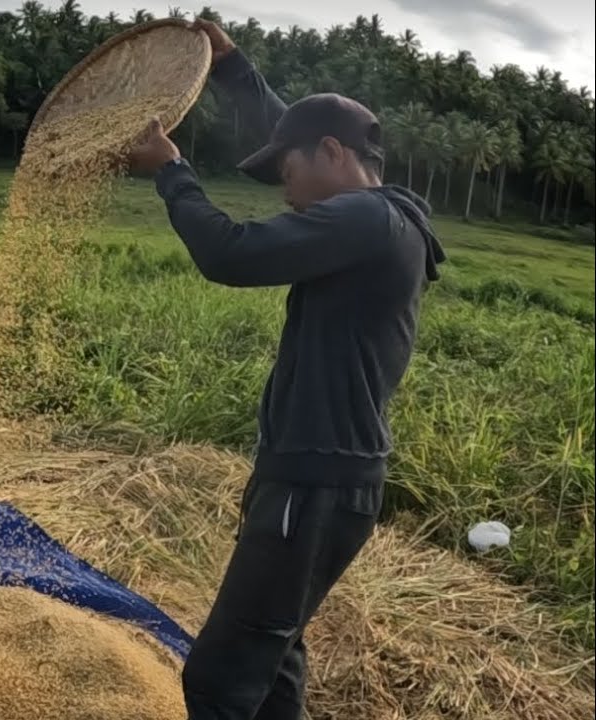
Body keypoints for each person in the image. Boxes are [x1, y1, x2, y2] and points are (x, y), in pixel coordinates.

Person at [126, 20, 446, 720]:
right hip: (325, 481)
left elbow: (231, 254)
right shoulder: (385, 218)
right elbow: (293, 132)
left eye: (288, 173)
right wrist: (235, 70)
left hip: (315, 486)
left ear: (332, 154)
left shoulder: (364, 220)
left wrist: (173, 174)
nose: (283, 188)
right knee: (273, 658)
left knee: (220, 679)